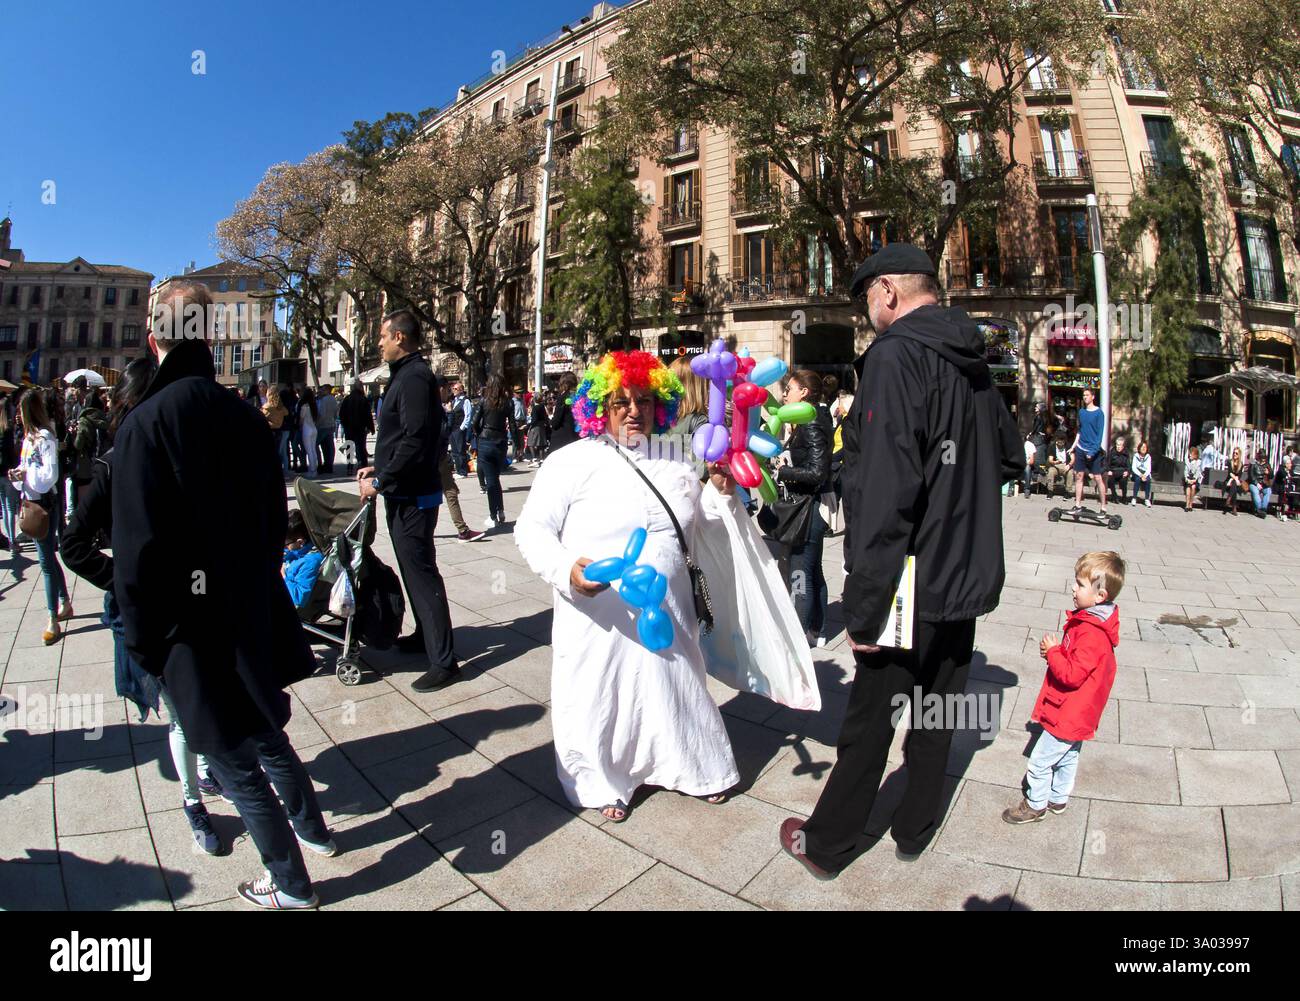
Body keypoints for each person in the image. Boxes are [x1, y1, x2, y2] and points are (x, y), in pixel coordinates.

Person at [780, 243, 1022, 879]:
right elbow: (1009, 458)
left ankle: (828, 844)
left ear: (887, 291)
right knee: (939, 707)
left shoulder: (892, 358)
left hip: (907, 581)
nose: (867, 310)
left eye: (867, 297)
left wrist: (863, 608)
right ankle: (914, 827)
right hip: (964, 573)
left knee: (872, 716)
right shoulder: (975, 357)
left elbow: (886, 494)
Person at [114, 280, 336, 909]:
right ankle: (314, 833)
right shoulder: (242, 415)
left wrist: (142, 644)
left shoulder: (144, 424)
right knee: (265, 732)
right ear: (207, 337)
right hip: (246, 606)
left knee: (232, 759)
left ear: (155, 338)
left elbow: (137, 554)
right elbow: (275, 519)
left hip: (188, 626)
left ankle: (291, 885)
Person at [513, 350, 739, 822]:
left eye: (644, 400)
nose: (634, 410)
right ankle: (600, 780)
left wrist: (721, 492)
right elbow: (531, 530)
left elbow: (707, 529)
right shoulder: (568, 462)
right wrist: (567, 570)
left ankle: (694, 765)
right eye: (621, 401)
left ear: (661, 407)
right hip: (598, 615)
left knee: (676, 681)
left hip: (668, 611)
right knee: (600, 692)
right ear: (599, 406)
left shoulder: (677, 463)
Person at [60, 357, 230, 856]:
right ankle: (192, 801)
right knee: (180, 714)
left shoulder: (172, 452)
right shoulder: (114, 463)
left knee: (201, 702)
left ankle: (203, 769)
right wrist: (122, 581)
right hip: (144, 609)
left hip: (191, 598)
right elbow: (72, 543)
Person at [356, 309, 461, 692]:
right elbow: (401, 436)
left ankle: (444, 661)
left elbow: (417, 439)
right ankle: (424, 638)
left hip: (414, 495)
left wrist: (384, 477)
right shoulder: (407, 376)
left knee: (421, 572)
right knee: (412, 567)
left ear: (400, 337)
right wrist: (377, 466)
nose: (379, 343)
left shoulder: (415, 377)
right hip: (403, 491)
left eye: (383, 336)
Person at [1003, 552, 1123, 824]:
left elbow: (1070, 675)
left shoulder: (1091, 632)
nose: (1073, 588)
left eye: (1080, 585)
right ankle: (1058, 797)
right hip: (1080, 710)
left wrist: (1054, 652)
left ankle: (1035, 805)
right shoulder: (1093, 622)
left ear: (1100, 596)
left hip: (1068, 711)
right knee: (1068, 756)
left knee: (1040, 761)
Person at [9, 390, 73, 642]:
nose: (15, 416)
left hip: (45, 504)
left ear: (27, 412)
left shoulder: (45, 437)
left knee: (46, 562)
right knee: (48, 558)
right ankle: (64, 601)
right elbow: (29, 470)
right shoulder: (28, 439)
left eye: (18, 411)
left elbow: (49, 476)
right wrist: (18, 475)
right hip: (32, 501)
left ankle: (52, 617)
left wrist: (26, 476)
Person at [776, 370, 833, 647]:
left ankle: (798, 637)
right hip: (810, 508)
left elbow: (817, 472)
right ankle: (818, 628)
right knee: (812, 570)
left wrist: (784, 472)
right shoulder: (807, 420)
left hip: (808, 510)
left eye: (790, 389)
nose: (785, 394)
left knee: (800, 573)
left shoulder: (810, 422)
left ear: (804, 394)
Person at [437, 378, 485, 543]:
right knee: (449, 493)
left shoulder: (429, 405)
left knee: (446, 494)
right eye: (447, 389)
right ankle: (462, 530)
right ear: (440, 389)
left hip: (435, 458)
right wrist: (449, 414)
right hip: (438, 459)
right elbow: (445, 431)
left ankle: (462, 530)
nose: (450, 392)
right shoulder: (436, 408)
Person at [472, 376, 519, 531]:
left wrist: (479, 434)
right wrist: (517, 444)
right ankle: (500, 510)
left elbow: (474, 422)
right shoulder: (508, 403)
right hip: (500, 441)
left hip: (486, 440)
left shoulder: (484, 401)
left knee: (491, 480)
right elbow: (513, 424)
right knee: (495, 478)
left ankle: (494, 514)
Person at [1069, 388, 1107, 513]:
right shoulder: (1081, 412)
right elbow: (1080, 431)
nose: (1085, 397)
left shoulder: (1099, 413)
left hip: (1093, 450)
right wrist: (1073, 446)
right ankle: (1078, 504)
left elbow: (1099, 435)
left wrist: (1093, 451)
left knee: (1097, 477)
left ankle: (1103, 506)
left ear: (1093, 397)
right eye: (1083, 395)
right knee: (1078, 476)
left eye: (1087, 395)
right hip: (1080, 448)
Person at [283, 510, 325, 608]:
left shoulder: (310, 563)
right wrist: (287, 555)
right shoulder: (304, 549)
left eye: (285, 545)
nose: (284, 547)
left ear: (300, 542)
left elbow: (299, 598)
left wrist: (284, 576)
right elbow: (296, 552)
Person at [340, 380, 375, 471]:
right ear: (360, 387)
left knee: (349, 446)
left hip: (349, 427)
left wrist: (345, 425)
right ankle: (362, 465)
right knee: (361, 447)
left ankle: (350, 467)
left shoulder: (347, 399)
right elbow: (368, 415)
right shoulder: (363, 399)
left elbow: (341, 413)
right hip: (360, 427)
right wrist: (371, 427)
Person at [547, 372, 580, 454]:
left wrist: (550, 420)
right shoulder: (579, 397)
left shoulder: (563, 397)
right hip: (576, 436)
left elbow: (557, 421)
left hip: (562, 439)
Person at [263, 385, 289, 475]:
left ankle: (270, 472)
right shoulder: (280, 406)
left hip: (271, 431)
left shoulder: (267, 407)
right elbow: (286, 413)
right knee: (278, 452)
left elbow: (261, 416)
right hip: (279, 431)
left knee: (269, 453)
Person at [315, 383, 339, 475]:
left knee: (318, 444)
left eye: (323, 389)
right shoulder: (333, 399)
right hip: (331, 424)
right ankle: (329, 465)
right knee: (329, 446)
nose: (321, 391)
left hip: (323, 425)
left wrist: (317, 424)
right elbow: (335, 412)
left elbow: (322, 413)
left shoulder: (324, 400)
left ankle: (321, 464)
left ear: (327, 390)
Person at [1246, 448, 1273, 518]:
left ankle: (1263, 509)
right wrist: (1256, 483)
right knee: (1255, 491)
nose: (1263, 460)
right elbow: (1251, 475)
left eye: (1264, 458)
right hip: (1254, 483)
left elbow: (1271, 476)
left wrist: (1269, 473)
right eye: (1262, 458)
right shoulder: (1253, 463)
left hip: (1264, 484)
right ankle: (1259, 509)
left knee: (1268, 491)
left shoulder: (1267, 464)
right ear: (1259, 457)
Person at [1106, 436, 1131, 504]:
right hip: (1113, 471)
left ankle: (1124, 497)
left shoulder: (1126, 453)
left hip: (1122, 472)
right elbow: (1107, 464)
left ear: (1123, 446)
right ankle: (1114, 496)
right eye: (1117, 444)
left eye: (1120, 445)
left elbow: (1128, 465)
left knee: (1123, 481)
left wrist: (1127, 472)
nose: (1118, 446)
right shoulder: (1112, 452)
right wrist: (1109, 470)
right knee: (1110, 480)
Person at [1223, 447, 1245, 516]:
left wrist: (1235, 479)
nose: (1234, 454)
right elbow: (1230, 473)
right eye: (1234, 453)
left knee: (1234, 485)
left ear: (1239, 455)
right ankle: (1234, 508)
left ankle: (1229, 500)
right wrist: (1235, 479)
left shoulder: (1241, 464)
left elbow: (1239, 475)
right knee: (1234, 486)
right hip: (1229, 481)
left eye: (1236, 453)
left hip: (1236, 482)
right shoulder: (1230, 462)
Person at [1130, 440, 1153, 507]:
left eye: (1145, 447)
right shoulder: (1136, 456)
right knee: (1137, 479)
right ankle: (1134, 498)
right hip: (1137, 473)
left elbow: (1149, 468)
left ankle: (1146, 499)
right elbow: (1134, 468)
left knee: (1148, 480)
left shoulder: (1148, 457)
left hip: (1145, 473)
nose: (1143, 449)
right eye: (1142, 447)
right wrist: (1140, 475)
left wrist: (1145, 475)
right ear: (1139, 448)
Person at [1182, 445, 1202, 512]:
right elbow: (1185, 471)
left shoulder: (1198, 463)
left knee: (1193, 487)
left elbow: (1198, 473)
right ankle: (1187, 505)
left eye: (1192, 454)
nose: (1190, 455)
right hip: (1188, 478)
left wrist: (1194, 480)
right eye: (1190, 453)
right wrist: (1187, 479)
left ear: (1195, 455)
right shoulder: (1187, 462)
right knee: (1188, 489)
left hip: (1195, 480)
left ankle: (1191, 504)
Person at [1022, 433, 1037, 497]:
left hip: (1027, 463)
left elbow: (1031, 461)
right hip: (1018, 463)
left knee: (1027, 469)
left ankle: (1027, 489)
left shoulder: (1030, 445)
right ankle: (1011, 488)